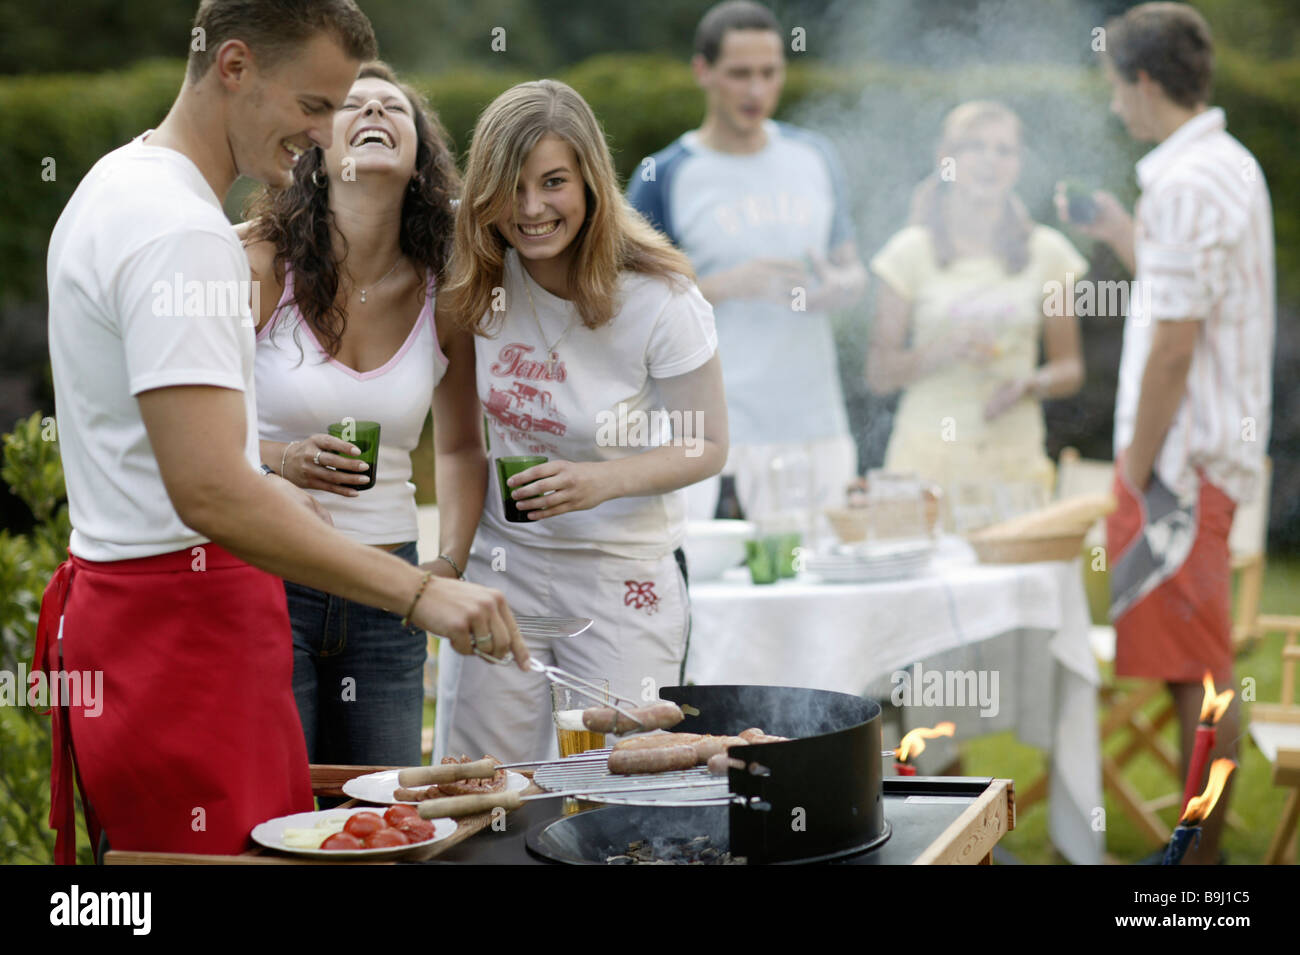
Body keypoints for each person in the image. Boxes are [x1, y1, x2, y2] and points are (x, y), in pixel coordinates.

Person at [40, 0, 527, 863]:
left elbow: (207, 465)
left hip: (144, 622)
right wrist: (418, 591)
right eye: (314, 105)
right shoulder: (183, 234)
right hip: (185, 633)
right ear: (234, 67)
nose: (324, 131)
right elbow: (212, 487)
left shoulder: (115, 182)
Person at [433, 79, 728, 764]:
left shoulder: (659, 297)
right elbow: (458, 445)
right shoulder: (476, 273)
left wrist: (599, 481)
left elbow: (706, 443)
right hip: (502, 572)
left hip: (622, 577)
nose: (531, 209)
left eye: (553, 182)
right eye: (511, 186)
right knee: (486, 784)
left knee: (613, 781)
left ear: (591, 181)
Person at [1060, 2, 1273, 865]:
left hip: (1178, 466)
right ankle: (1197, 853)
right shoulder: (1228, 165)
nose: (1115, 107)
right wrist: (1120, 232)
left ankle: (1199, 869)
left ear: (1144, 83)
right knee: (1196, 665)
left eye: (1117, 87)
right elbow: (1189, 291)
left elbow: (1176, 347)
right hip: (1205, 456)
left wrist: (1135, 470)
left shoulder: (1182, 183)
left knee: (1197, 672)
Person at [240, 62, 476, 768]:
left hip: (389, 591)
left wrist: (444, 566)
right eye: (353, 105)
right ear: (318, 151)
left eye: (393, 108)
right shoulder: (258, 264)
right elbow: (189, 433)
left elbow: (463, 445)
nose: (374, 111)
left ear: (419, 160)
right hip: (271, 577)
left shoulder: (448, 287)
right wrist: (280, 458)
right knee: (283, 810)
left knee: (383, 812)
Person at [627, 0, 867, 527]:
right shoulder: (665, 174)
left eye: (769, 72)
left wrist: (837, 288)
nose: (756, 90)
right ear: (703, 71)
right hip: (713, 434)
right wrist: (727, 285)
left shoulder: (814, 157)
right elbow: (627, 303)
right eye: (740, 74)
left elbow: (854, 271)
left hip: (816, 423)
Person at [867, 101, 1087, 528]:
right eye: (975, 147)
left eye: (1004, 150)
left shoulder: (1049, 253)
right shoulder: (908, 253)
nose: (990, 161)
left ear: (1018, 165)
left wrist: (1031, 382)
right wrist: (940, 351)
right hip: (925, 462)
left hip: (1014, 466)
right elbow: (879, 372)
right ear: (945, 161)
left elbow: (1070, 368)